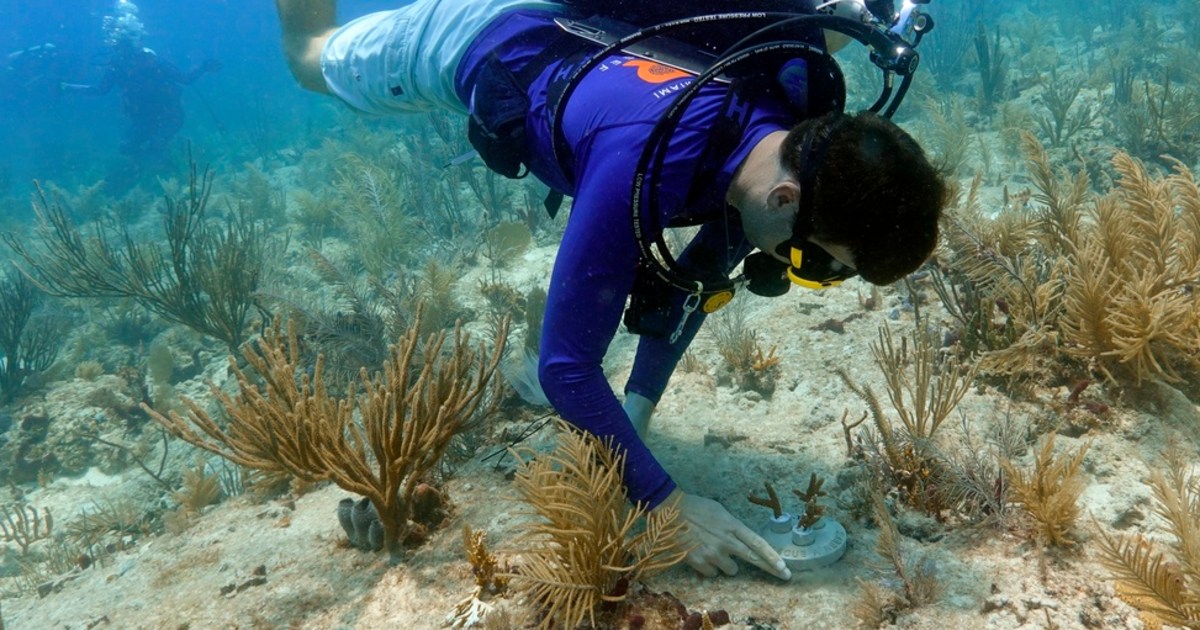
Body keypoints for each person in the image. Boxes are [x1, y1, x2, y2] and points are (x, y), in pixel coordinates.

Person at [275, 0, 945, 582]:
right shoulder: (646, 153)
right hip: (474, 36)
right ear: (785, 198)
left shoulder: (781, 140)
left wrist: (636, 425)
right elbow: (564, 367)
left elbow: (689, 290)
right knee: (309, 61)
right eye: (816, 263)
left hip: (580, 26)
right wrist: (665, 502)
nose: (804, 275)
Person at [61, 0, 221, 192]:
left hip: (170, 115)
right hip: (144, 119)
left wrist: (203, 67)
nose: (124, 55)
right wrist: (67, 87)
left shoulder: (152, 62)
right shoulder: (116, 68)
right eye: (120, 49)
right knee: (126, 147)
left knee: (155, 145)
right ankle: (148, 175)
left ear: (133, 46)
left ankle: (175, 177)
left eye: (126, 49)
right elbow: (100, 90)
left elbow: (185, 79)